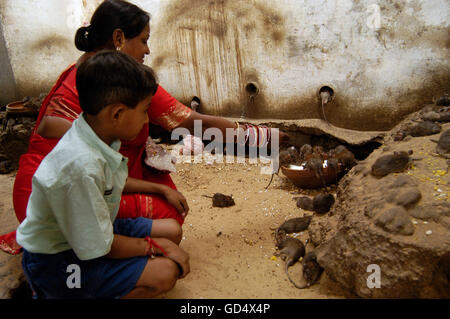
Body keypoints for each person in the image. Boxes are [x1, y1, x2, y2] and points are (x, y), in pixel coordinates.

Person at [0, 0, 289, 255]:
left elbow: (59, 132)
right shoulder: (124, 84)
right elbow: (192, 123)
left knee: (160, 188)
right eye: (144, 40)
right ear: (118, 38)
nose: (148, 50)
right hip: (60, 198)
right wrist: (264, 136)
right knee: (169, 216)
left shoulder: (84, 71)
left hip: (35, 191)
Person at [17, 50, 190, 299]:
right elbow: (99, 247)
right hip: (60, 259)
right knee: (164, 271)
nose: (145, 122)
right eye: (144, 111)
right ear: (117, 114)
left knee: (172, 230)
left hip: (91, 230)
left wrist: (162, 189)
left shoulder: (97, 133)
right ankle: (56, 291)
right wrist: (154, 246)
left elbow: (108, 182)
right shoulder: (81, 167)